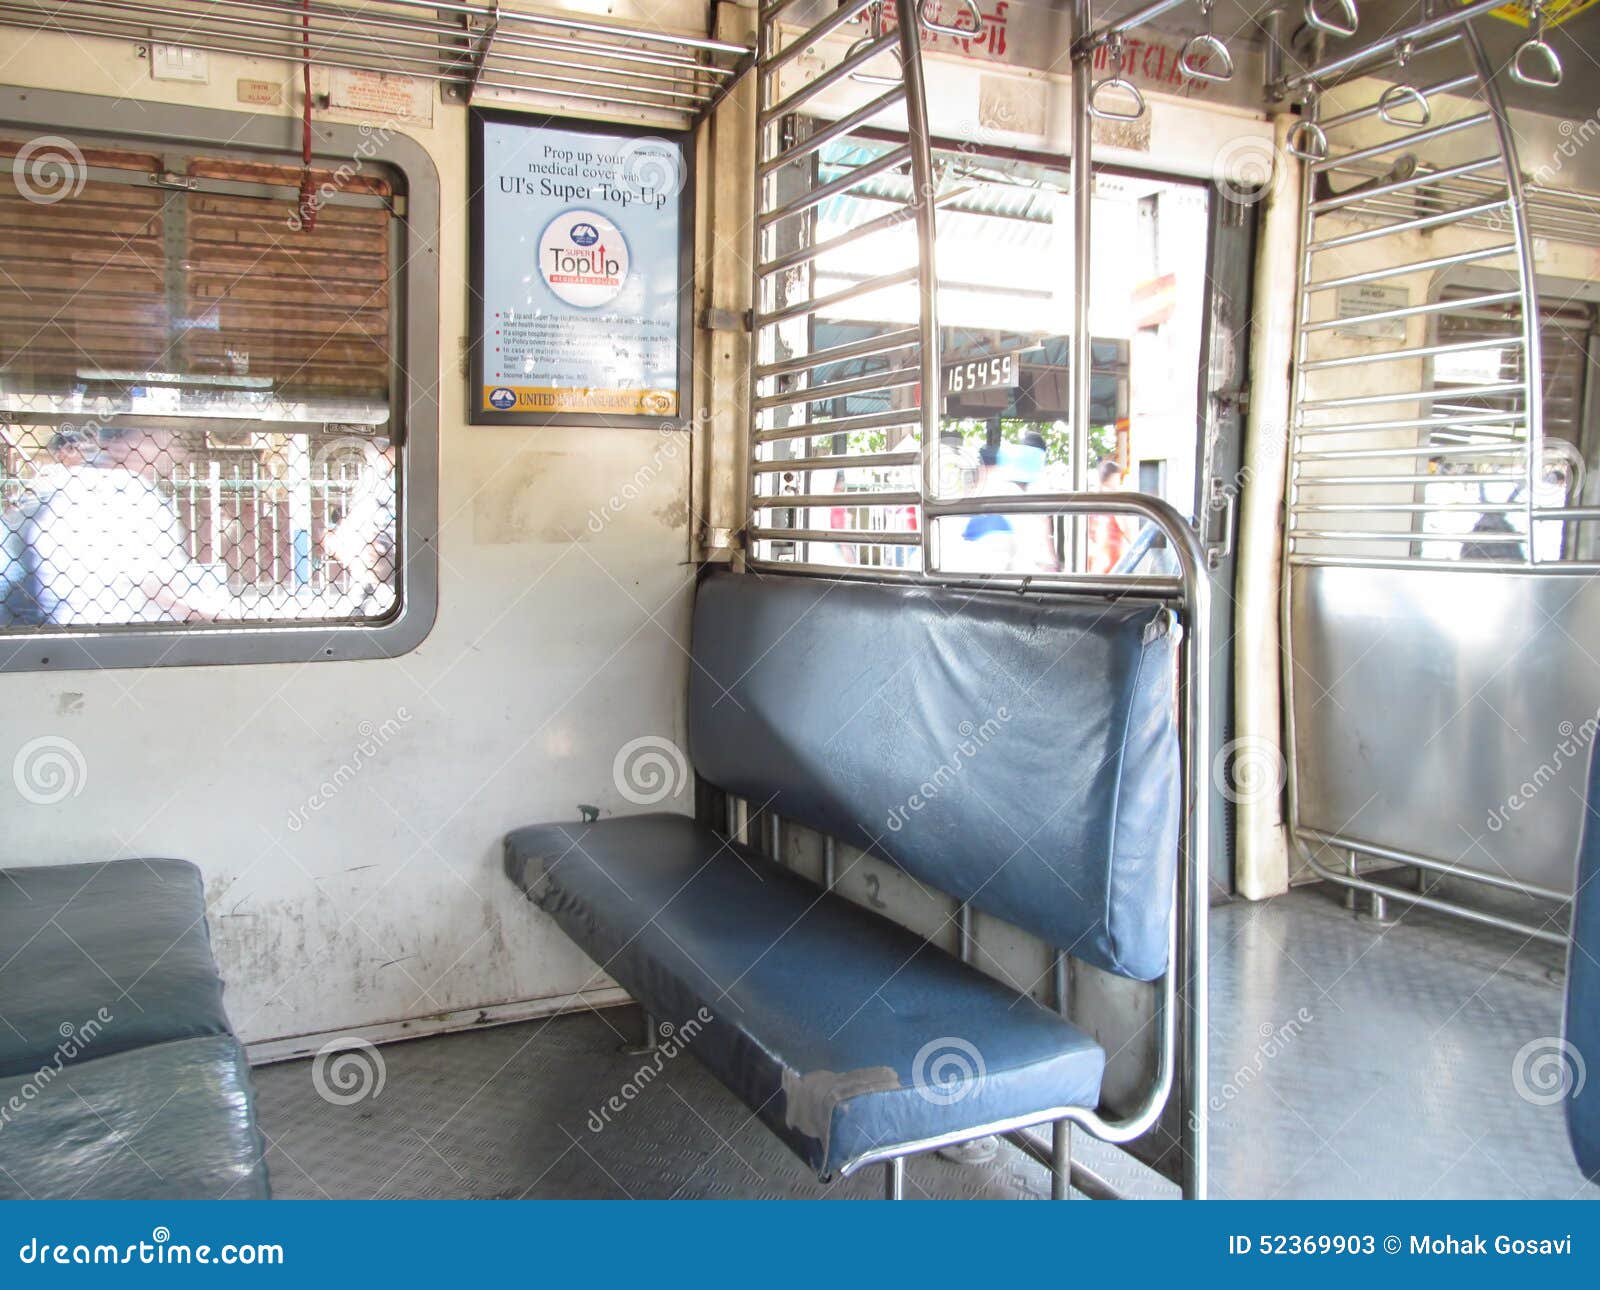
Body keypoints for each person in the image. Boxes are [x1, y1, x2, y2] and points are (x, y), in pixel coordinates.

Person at [25, 424, 228, 625]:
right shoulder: (132, 490)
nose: (173, 452)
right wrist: (222, 615)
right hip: (126, 632)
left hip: (69, 628)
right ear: (122, 445)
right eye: (156, 440)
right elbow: (158, 588)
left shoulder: (66, 488)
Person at [1087, 456, 1134, 574]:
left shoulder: (1093, 500)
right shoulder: (1114, 499)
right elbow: (1125, 528)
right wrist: (1135, 544)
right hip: (1112, 555)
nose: (1119, 481)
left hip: (1096, 558)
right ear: (1111, 478)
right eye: (1118, 477)